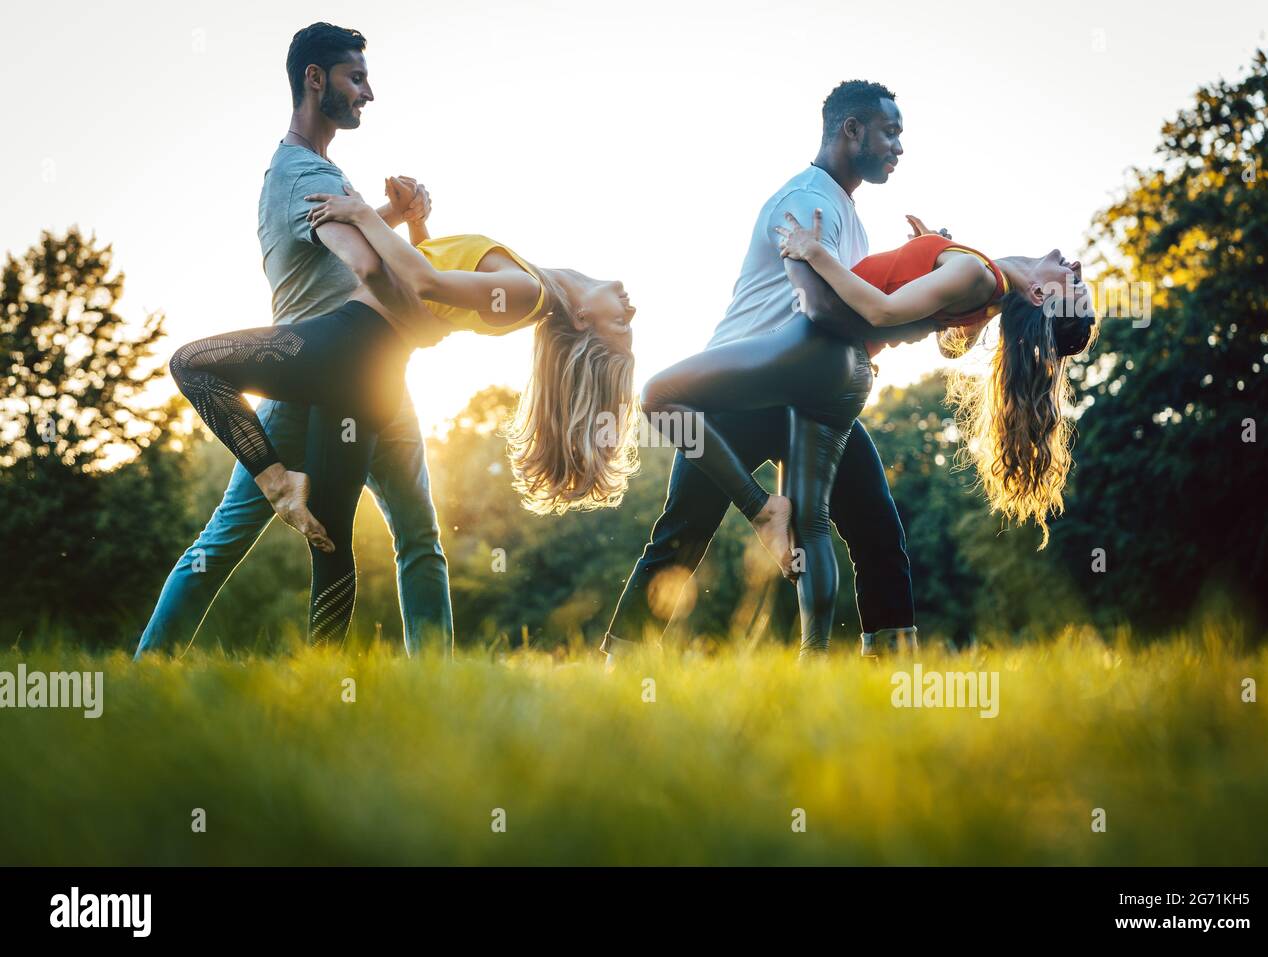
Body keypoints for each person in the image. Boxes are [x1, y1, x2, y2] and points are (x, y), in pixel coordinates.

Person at [167, 184, 639, 646]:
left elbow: (426, 282)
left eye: (620, 321)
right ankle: (321, 676)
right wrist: (415, 225)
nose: (630, 307)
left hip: (348, 346)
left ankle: (276, 482)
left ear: (581, 319)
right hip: (371, 375)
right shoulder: (530, 283)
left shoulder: (527, 291)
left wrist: (362, 213)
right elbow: (432, 284)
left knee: (191, 364)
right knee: (329, 542)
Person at [133, 22, 456, 659]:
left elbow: (350, 252)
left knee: (414, 538)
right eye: (355, 78)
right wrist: (398, 233)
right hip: (306, 388)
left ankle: (436, 683)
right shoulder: (302, 173)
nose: (368, 93)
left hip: (375, 379)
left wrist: (401, 216)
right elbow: (367, 264)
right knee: (236, 540)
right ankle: (150, 666)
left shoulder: (316, 175)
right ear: (315, 78)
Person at [638, 210, 1096, 657]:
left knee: (658, 395)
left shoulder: (979, 275)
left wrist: (813, 252)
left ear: (1039, 294)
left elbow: (882, 310)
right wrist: (932, 251)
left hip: (818, 351)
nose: (1076, 266)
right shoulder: (989, 287)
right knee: (812, 524)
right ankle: (821, 659)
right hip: (847, 377)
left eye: (1075, 285)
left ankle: (759, 508)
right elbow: (950, 345)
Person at [602, 80, 920, 663]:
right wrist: (902, 308)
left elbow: (857, 326)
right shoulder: (804, 200)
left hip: (812, 401)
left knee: (877, 529)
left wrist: (920, 279)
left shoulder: (851, 220)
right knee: (681, 538)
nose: (899, 147)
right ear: (851, 129)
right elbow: (823, 311)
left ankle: (891, 668)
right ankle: (618, 668)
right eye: (890, 132)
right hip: (737, 398)